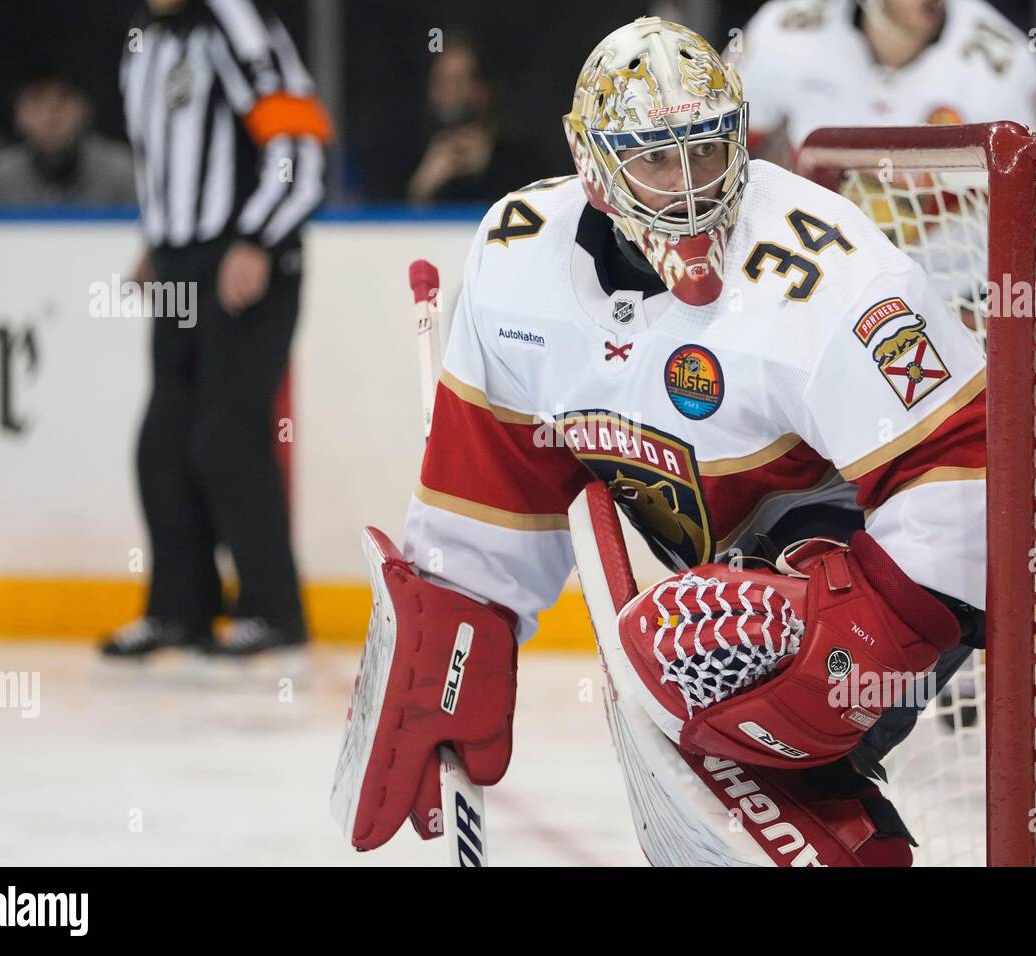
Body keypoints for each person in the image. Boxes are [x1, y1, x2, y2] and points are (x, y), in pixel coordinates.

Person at [335, 18, 986, 866]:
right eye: (655, 158)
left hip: (853, 578)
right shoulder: (517, 256)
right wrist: (456, 628)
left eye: (709, 151)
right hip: (704, 585)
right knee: (692, 694)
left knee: (725, 712)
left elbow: (973, 472)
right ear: (593, 164)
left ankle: (820, 785)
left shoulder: (826, 277)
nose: (690, 188)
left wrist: (865, 637)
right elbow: (493, 479)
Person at [102, 0, 329, 658]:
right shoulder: (144, 40)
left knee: (226, 439)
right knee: (163, 444)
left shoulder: (237, 20)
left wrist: (258, 238)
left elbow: (301, 143)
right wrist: (157, 243)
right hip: (181, 263)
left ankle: (274, 612)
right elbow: (164, 161)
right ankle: (181, 611)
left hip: (246, 261)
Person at [733, 0, 1036, 166]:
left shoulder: (1008, 62)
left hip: (954, 284)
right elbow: (710, 144)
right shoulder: (784, 29)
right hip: (826, 268)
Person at [404, 38, 543, 204]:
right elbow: (378, 221)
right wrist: (423, 185)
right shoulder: (406, 154)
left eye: (461, 79)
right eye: (442, 80)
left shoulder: (519, 158)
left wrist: (491, 167)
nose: (451, 90)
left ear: (485, 88)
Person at [0, 68, 136, 207]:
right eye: (37, 100)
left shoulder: (121, 171)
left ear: (86, 109)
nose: (51, 115)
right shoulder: (3, 175)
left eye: (63, 99)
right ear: (18, 114)